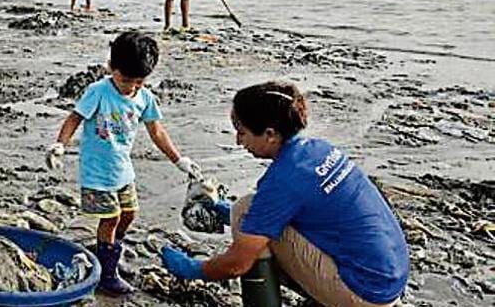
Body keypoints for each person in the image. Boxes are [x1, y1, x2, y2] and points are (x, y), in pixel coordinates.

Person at [160, 81, 409, 306]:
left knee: (247, 216)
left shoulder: (283, 180)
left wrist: (192, 268)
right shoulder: (318, 150)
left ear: (270, 134)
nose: (238, 141)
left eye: (242, 132)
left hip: (366, 294)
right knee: (248, 212)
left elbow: (236, 264)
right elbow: (308, 212)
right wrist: (226, 211)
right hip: (389, 277)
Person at [47, 31, 203, 296]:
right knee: (111, 217)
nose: (132, 87)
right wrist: (60, 145)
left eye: (139, 81)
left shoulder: (144, 98)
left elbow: (157, 132)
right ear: (111, 68)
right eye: (126, 79)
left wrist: (179, 160)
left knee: (129, 214)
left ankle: (105, 249)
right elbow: (74, 118)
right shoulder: (98, 92)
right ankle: (107, 274)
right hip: (96, 171)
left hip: (123, 170)